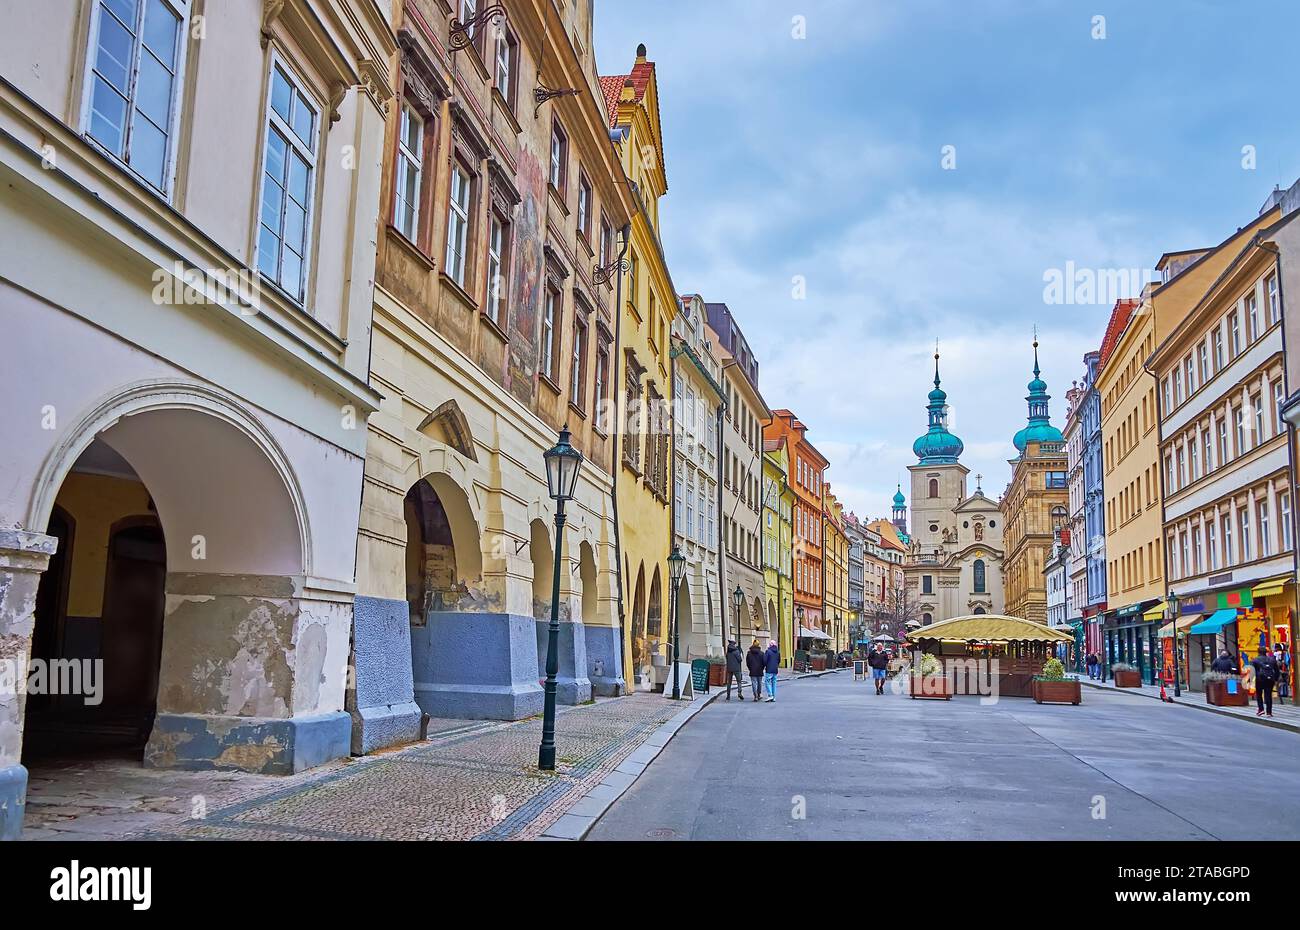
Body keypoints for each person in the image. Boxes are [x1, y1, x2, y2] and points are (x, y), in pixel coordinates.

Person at [1251, 647, 1281, 717]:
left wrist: (1251, 680)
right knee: (1268, 695)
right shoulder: (1272, 660)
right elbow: (1277, 671)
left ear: (1258, 652)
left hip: (1260, 679)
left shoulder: (1255, 660)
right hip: (1270, 679)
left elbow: (1252, 671)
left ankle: (1261, 709)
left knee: (1259, 694)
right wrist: (1275, 679)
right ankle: (1269, 712)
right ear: (1266, 652)